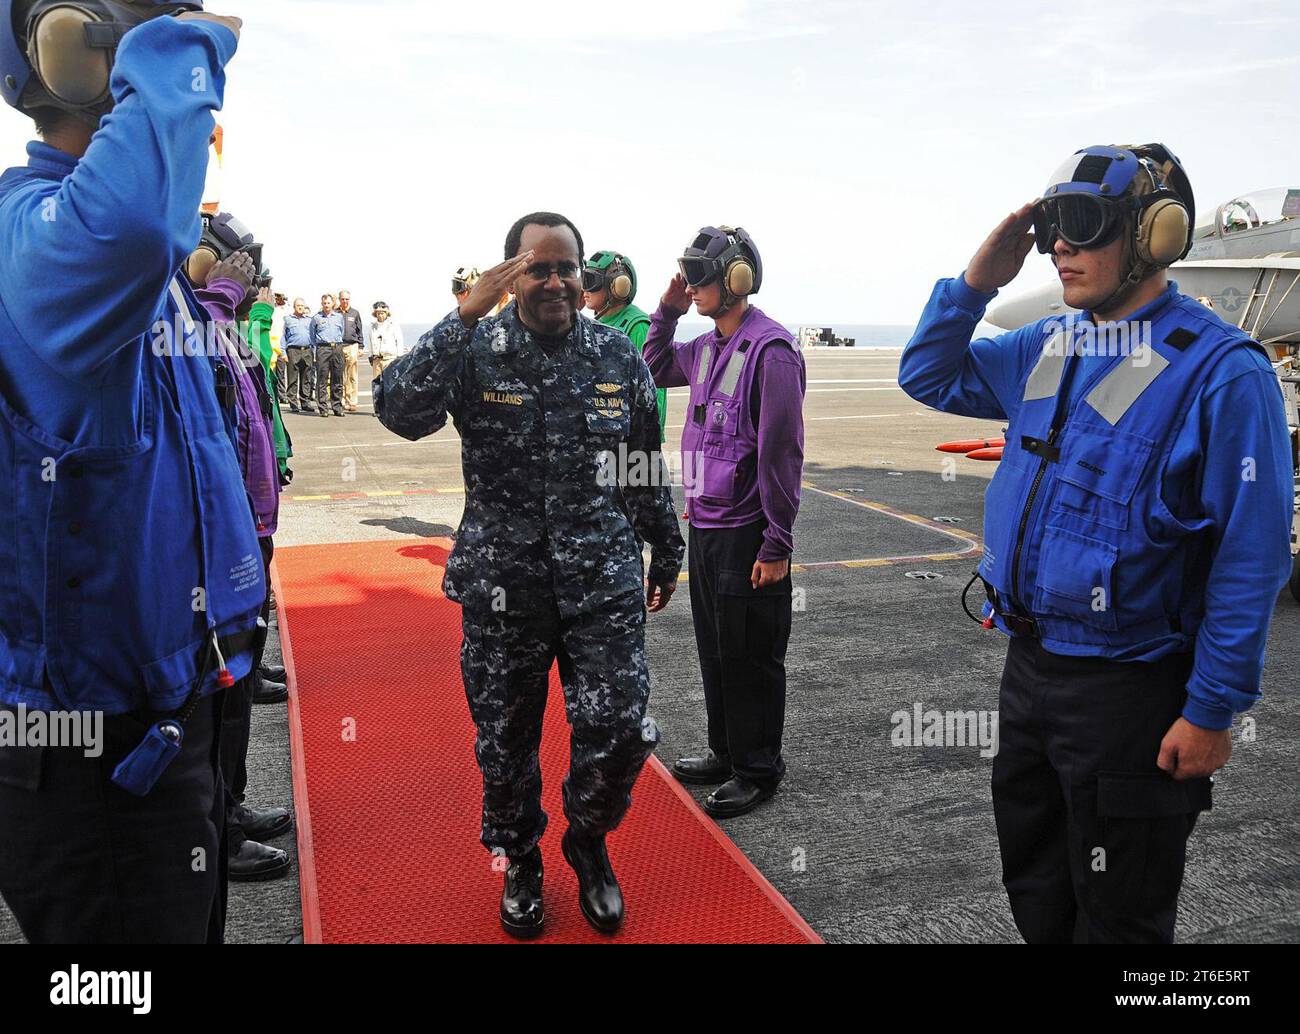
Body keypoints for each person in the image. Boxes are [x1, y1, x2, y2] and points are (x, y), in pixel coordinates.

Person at [898, 144, 1295, 943]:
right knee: (1038, 883)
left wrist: (1212, 708)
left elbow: (1250, 559)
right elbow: (929, 376)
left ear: (1154, 235)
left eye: (1083, 228)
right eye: (1053, 230)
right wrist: (977, 284)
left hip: (1133, 690)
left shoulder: (1223, 372)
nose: (1060, 249)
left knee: (1122, 915)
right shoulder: (1049, 342)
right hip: (1031, 670)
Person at [0, 3, 259, 943]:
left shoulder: (143, 274)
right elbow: (142, 222)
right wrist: (177, 35)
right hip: (86, 745)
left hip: (170, 705)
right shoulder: (32, 237)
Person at [376, 212, 685, 939]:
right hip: (503, 586)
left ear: (585, 278)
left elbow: (643, 462)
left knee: (620, 726)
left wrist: (666, 547)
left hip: (601, 582)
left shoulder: (617, 355)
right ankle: (520, 858)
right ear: (511, 274)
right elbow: (399, 411)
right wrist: (462, 316)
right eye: (537, 268)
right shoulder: (476, 350)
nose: (554, 281)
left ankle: (588, 837)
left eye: (566, 268)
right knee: (506, 741)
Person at [643, 226, 807, 819]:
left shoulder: (772, 351)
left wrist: (777, 541)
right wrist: (667, 309)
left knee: (750, 653)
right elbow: (653, 363)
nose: (693, 283)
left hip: (748, 532)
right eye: (688, 272)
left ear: (738, 278)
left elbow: (781, 452)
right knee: (715, 648)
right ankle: (726, 750)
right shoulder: (708, 346)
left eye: (702, 274)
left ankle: (758, 769)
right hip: (707, 526)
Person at [188, 252, 292, 882]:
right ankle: (217, 834)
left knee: (236, 691)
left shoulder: (215, 318)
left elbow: (255, 409)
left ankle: (232, 806)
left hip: (246, 529)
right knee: (218, 690)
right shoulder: (190, 316)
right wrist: (220, 296)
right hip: (217, 544)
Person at [583, 251, 667, 437]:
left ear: (617, 286)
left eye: (591, 281)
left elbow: (654, 394)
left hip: (632, 446)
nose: (585, 289)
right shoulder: (594, 326)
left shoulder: (637, 327)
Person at [310, 291, 345, 417]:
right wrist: (315, 352)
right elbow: (312, 337)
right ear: (322, 304)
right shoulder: (316, 318)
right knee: (322, 378)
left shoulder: (339, 317)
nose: (326, 305)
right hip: (323, 349)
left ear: (332, 303)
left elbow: (342, 331)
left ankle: (337, 407)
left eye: (328, 303)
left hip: (337, 347)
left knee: (338, 378)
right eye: (324, 303)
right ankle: (323, 408)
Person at [282, 296, 315, 412]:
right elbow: (283, 337)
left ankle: (305, 402)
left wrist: (314, 352)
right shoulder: (288, 319)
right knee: (292, 378)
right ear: (294, 307)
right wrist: (283, 353)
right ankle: (293, 403)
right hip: (293, 350)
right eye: (298, 306)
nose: (300, 308)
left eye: (302, 306)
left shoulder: (309, 320)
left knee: (306, 378)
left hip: (307, 350)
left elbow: (313, 336)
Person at [367, 300, 405, 390]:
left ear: (387, 313)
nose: (380, 315)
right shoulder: (372, 326)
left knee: (390, 384)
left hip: (389, 359)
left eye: (383, 313)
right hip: (377, 360)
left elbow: (399, 341)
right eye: (378, 313)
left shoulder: (393, 325)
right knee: (377, 385)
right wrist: (370, 356)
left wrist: (399, 358)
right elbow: (370, 341)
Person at [338, 287, 364, 412]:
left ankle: (352, 401)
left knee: (352, 375)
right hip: (339, 346)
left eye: (347, 299)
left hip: (352, 346)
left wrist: (361, 346)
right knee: (340, 375)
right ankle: (341, 400)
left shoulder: (355, 313)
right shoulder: (335, 313)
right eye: (342, 299)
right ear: (339, 300)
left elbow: (360, 330)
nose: (345, 301)